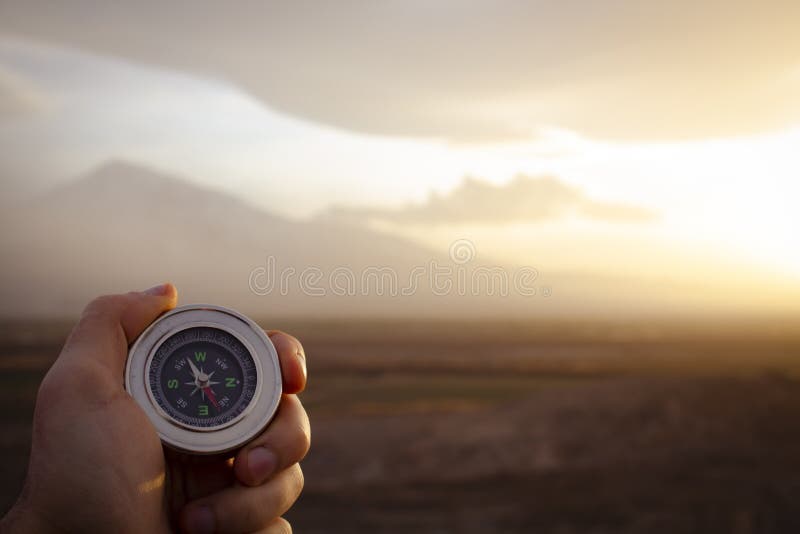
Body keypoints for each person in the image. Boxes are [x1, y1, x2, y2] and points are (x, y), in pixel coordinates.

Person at [0, 284, 309, 534]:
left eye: (207, 382)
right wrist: (56, 525)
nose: (202, 381)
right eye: (197, 377)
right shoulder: (96, 416)